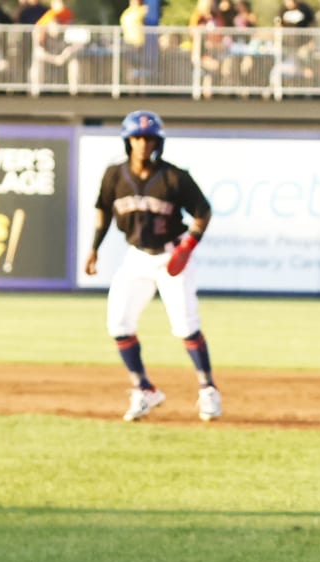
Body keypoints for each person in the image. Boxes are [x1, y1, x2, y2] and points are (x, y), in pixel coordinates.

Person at [85, 111, 220, 422]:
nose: (143, 144)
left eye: (149, 138)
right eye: (137, 138)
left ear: (158, 142)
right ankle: (144, 389)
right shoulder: (114, 176)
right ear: (128, 141)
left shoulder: (174, 177)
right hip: (136, 257)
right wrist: (94, 248)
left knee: (185, 325)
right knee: (118, 324)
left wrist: (188, 247)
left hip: (172, 257)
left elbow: (203, 212)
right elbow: (103, 211)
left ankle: (208, 390)